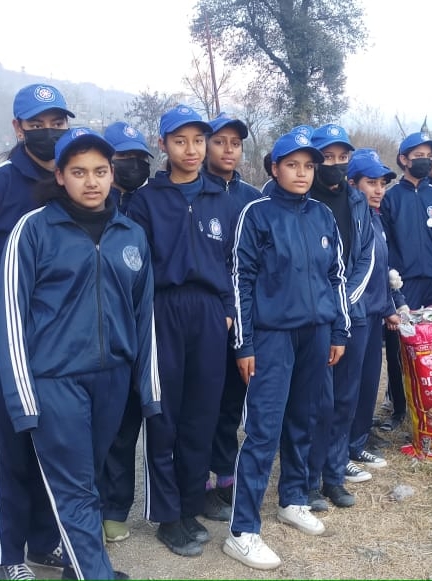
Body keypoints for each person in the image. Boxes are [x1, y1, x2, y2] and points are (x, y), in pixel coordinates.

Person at [0, 127, 160, 580]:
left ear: (112, 176)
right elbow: (10, 316)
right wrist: (23, 397)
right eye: (79, 172)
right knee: (73, 488)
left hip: (110, 378)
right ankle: (94, 572)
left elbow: (143, 316)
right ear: (61, 175)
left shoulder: (131, 234)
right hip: (54, 381)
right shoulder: (32, 231)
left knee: (85, 479)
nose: (91, 181)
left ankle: (71, 559)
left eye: (100, 171)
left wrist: (147, 389)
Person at [224, 131, 349, 570]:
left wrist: (339, 330)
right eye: (292, 165)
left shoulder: (322, 215)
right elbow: (240, 280)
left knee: (305, 418)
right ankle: (242, 530)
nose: (302, 173)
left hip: (316, 334)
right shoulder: (256, 214)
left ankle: (293, 497)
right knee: (264, 430)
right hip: (272, 336)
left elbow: (337, 276)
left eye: (309, 166)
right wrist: (244, 343)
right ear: (273, 168)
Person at [126, 104, 237, 557]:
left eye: (198, 141)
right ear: (163, 146)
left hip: (210, 313)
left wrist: (227, 308)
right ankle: (166, 515)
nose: (191, 150)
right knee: (164, 415)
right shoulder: (145, 201)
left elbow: (234, 262)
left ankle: (190, 503)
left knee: (201, 413)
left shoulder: (222, 198)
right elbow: (134, 267)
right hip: (163, 310)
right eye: (180, 141)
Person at [0, 83, 74, 581]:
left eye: (56, 123)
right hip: (11, 335)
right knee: (10, 448)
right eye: (37, 124)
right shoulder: (5, 181)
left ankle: (46, 543)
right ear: (18, 128)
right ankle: (9, 553)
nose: (48, 132)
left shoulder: (76, 178)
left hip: (60, 338)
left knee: (55, 445)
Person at [306, 124, 375, 511]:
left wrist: (345, 303)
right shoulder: (303, 199)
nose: (335, 165)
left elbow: (366, 257)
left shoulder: (357, 200)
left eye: (342, 157)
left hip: (354, 313)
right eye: (327, 158)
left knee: (346, 399)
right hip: (315, 315)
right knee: (317, 401)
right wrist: (327, 304)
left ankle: (334, 476)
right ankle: (309, 480)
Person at [200, 112, 262, 522]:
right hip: (205, 314)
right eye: (219, 141)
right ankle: (199, 481)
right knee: (201, 400)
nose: (228, 150)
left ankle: (224, 476)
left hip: (242, 312)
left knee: (232, 399)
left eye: (235, 143)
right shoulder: (195, 192)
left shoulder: (253, 198)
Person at [379, 132, 432, 433]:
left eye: (430, 155)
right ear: (404, 159)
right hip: (405, 284)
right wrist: (391, 285)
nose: (426, 161)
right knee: (402, 348)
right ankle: (401, 408)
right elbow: (383, 244)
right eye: (420, 155)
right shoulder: (390, 197)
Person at [98, 121, 154, 544]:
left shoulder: (149, 203)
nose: (132, 166)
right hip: (90, 338)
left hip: (141, 324)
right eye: (123, 159)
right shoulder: (91, 208)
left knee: (126, 424)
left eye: (139, 159)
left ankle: (115, 507)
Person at [345, 149, 404, 484]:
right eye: (371, 183)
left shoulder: (376, 219)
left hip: (374, 315)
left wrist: (390, 306)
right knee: (348, 388)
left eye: (382, 183)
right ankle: (338, 454)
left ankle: (357, 442)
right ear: (353, 184)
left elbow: (381, 269)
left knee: (369, 384)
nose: (379, 189)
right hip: (354, 316)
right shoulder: (350, 221)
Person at [103, 121, 153, 212]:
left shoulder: (153, 204)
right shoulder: (93, 203)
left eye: (140, 156)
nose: (135, 163)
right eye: (125, 155)